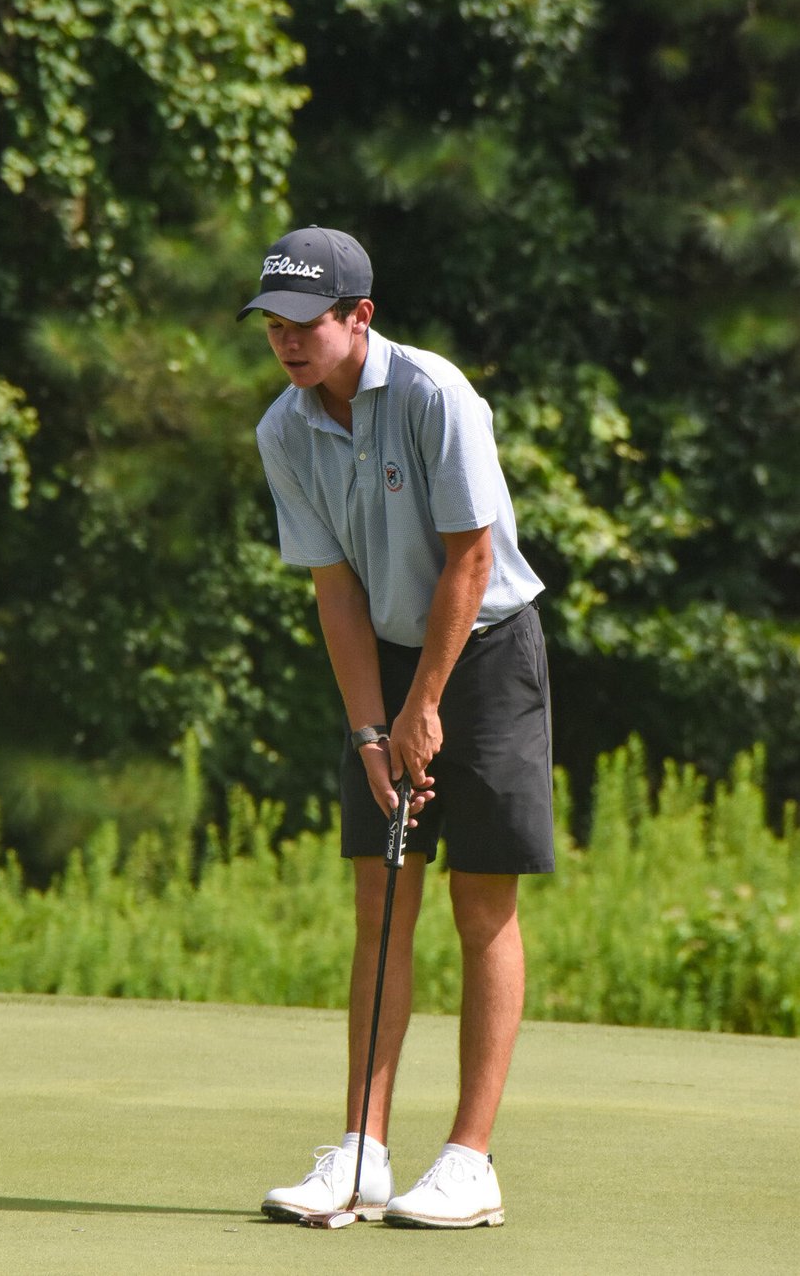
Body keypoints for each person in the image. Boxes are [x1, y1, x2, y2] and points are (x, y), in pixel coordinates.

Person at [238, 225, 553, 1230]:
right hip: (387, 659)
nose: (287, 342)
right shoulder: (283, 430)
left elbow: (468, 561)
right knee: (382, 902)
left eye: (304, 322)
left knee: (479, 903)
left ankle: (469, 1159)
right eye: (273, 324)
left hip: (490, 649)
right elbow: (336, 589)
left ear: (356, 316)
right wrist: (374, 729)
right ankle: (364, 1151)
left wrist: (427, 707)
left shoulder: (434, 394)